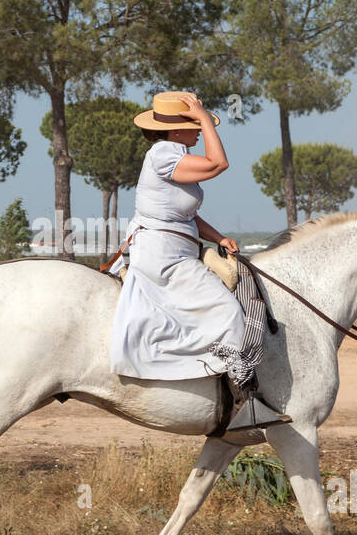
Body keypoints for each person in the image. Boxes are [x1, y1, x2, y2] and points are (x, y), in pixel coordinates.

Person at [109, 92, 288, 430]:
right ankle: (242, 405)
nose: (197, 132)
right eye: (192, 127)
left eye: (198, 126)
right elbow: (218, 164)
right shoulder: (163, 154)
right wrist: (205, 117)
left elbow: (186, 214)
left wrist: (217, 237)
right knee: (227, 312)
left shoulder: (174, 153)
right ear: (176, 130)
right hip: (165, 258)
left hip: (176, 248)